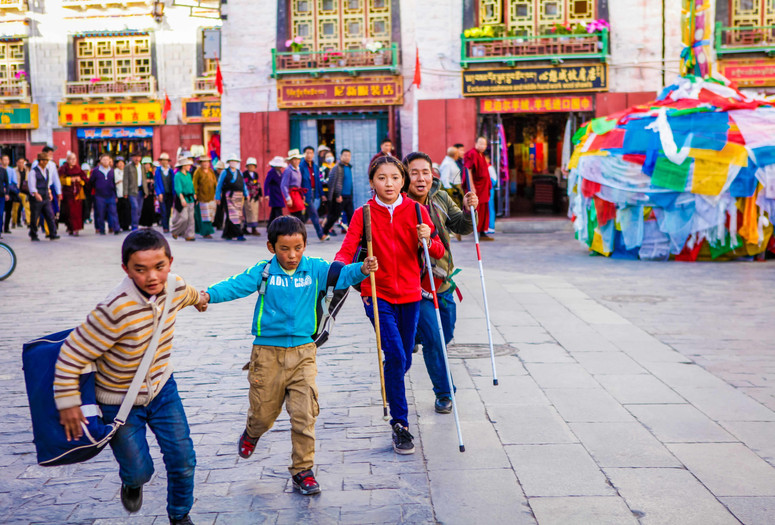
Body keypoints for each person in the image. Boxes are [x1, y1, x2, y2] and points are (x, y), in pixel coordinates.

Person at [198, 216, 377, 495]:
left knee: (304, 414)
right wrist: (208, 295)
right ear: (271, 247)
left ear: (305, 245)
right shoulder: (265, 272)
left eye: (298, 248)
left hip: (304, 353)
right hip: (266, 354)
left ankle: (303, 470)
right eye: (284, 248)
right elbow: (234, 285)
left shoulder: (315, 269)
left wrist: (363, 269)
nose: (292, 255)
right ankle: (252, 432)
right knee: (263, 413)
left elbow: (343, 274)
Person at [55, 229, 205, 525]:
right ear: (126, 269)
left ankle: (179, 515)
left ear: (170, 262)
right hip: (119, 403)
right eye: (141, 269)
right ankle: (132, 482)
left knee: (183, 459)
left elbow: (190, 294)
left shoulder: (174, 287)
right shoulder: (114, 309)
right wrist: (68, 402)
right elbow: (72, 352)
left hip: (163, 391)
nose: (152, 276)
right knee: (139, 469)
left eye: (159, 267)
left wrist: (200, 299)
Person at [334, 156, 445, 454]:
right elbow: (346, 250)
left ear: (403, 180)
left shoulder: (418, 211)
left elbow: (437, 249)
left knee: (402, 358)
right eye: (382, 178)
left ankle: (392, 374)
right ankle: (401, 425)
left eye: (395, 177)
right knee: (396, 354)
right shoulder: (364, 213)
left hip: (410, 295)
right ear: (372, 182)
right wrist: (341, 269)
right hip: (377, 294)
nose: (389, 184)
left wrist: (427, 238)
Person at [403, 151, 479, 413]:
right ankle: (444, 392)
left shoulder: (441, 196)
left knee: (445, 333)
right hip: (417, 285)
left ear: (431, 174)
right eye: (414, 173)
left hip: (444, 281)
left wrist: (469, 211)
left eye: (425, 172)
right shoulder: (400, 203)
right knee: (435, 340)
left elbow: (461, 226)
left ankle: (415, 334)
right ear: (405, 176)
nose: (421, 178)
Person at [464, 137, 494, 241]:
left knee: (484, 209)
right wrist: (471, 186)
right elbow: (468, 169)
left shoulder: (482, 155)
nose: (483, 146)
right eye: (480, 143)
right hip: (477, 187)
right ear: (475, 143)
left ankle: (482, 232)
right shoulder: (472, 154)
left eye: (484, 144)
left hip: (484, 188)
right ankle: (477, 230)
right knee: (478, 209)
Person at [28, 152, 59, 241]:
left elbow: (47, 184)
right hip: (37, 197)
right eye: (45, 161)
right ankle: (33, 234)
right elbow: (31, 185)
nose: (46, 162)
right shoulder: (33, 172)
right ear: (41, 161)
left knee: (50, 215)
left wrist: (49, 192)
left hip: (45, 196)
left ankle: (53, 233)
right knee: (35, 216)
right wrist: (36, 194)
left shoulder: (46, 170)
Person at [215, 154, 247, 241]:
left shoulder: (239, 172)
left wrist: (246, 193)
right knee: (233, 215)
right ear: (229, 162)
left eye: (235, 161)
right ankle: (239, 234)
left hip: (239, 197)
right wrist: (217, 197)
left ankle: (227, 234)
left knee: (237, 215)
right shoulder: (224, 172)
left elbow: (243, 184)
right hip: (228, 196)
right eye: (232, 161)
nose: (233, 163)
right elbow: (219, 185)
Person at [322, 149, 354, 236]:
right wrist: (337, 195)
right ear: (341, 156)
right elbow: (332, 182)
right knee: (334, 216)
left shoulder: (349, 167)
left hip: (348, 196)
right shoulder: (337, 167)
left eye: (349, 155)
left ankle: (354, 235)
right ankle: (324, 230)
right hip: (340, 197)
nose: (347, 157)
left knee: (351, 215)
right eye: (345, 155)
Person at [299, 146, 328, 241]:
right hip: (305, 194)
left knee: (305, 216)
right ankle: (321, 235)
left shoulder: (315, 167)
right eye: (307, 153)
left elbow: (318, 181)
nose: (309, 155)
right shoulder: (301, 166)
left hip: (313, 192)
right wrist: (301, 195)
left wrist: (322, 194)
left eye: (311, 153)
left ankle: (294, 231)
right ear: (304, 154)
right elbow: (299, 181)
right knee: (314, 214)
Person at [89, 153, 121, 236]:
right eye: (104, 160)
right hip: (99, 195)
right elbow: (91, 182)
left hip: (111, 194)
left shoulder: (112, 171)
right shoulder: (96, 170)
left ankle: (116, 228)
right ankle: (102, 229)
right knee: (100, 213)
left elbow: (114, 184)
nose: (106, 161)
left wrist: (116, 195)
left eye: (107, 160)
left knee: (113, 212)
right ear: (101, 160)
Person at [58, 152, 87, 236]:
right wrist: (69, 180)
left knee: (78, 212)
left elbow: (84, 180)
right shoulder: (63, 169)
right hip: (68, 194)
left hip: (78, 194)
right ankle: (70, 227)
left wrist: (79, 180)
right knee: (69, 212)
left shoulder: (78, 169)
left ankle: (76, 228)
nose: (73, 161)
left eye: (74, 159)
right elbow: (60, 180)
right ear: (67, 160)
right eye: (71, 159)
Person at [170, 158, 196, 241]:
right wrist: (182, 199)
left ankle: (189, 235)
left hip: (190, 198)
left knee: (191, 218)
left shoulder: (188, 175)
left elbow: (191, 186)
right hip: (182, 198)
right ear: (183, 166)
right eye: (188, 165)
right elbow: (178, 188)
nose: (189, 166)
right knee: (184, 218)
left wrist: (194, 194)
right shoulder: (178, 175)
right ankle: (175, 231)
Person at [193, 155, 217, 239]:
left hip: (211, 196)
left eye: (207, 162)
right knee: (204, 216)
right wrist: (195, 194)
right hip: (202, 197)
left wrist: (217, 194)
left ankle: (209, 231)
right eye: (204, 162)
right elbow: (195, 184)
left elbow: (215, 183)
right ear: (201, 163)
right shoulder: (198, 172)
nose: (206, 164)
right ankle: (205, 232)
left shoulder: (211, 171)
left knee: (210, 215)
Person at [281, 149, 305, 220]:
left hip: (297, 194)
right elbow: (283, 185)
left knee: (300, 214)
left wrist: (302, 195)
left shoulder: (298, 169)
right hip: (292, 194)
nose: (296, 161)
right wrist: (288, 198)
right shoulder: (288, 170)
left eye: (298, 159)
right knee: (296, 215)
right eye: (294, 159)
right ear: (290, 161)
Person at [155, 152, 175, 233]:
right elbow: (157, 183)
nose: (165, 162)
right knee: (163, 210)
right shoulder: (158, 170)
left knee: (168, 210)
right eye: (163, 160)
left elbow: (173, 182)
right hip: (162, 193)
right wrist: (159, 193)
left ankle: (167, 225)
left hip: (170, 193)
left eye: (166, 160)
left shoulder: (170, 171)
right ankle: (165, 226)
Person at [264, 156, 286, 229]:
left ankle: (269, 226)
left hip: (279, 193)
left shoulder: (279, 172)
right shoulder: (271, 172)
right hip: (274, 194)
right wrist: (266, 194)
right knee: (278, 211)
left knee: (274, 212)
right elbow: (266, 183)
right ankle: (280, 226)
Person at [243, 157, 262, 236]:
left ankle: (254, 229)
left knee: (254, 213)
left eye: (253, 166)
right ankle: (245, 228)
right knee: (248, 212)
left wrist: (260, 195)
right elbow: (243, 185)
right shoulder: (244, 174)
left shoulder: (256, 175)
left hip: (255, 196)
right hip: (247, 196)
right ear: (247, 166)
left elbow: (258, 185)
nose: (251, 167)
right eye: (250, 166)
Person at [125, 151, 144, 231]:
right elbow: (125, 180)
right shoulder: (128, 167)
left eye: (138, 157)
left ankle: (136, 223)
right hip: (132, 190)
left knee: (139, 209)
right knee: (135, 207)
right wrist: (125, 192)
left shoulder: (142, 167)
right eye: (135, 157)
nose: (137, 158)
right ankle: (134, 226)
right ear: (132, 158)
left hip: (141, 190)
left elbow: (144, 179)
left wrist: (146, 190)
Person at [139, 157, 158, 228]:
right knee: (143, 207)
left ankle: (150, 222)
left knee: (150, 207)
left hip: (150, 193)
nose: (147, 166)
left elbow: (153, 181)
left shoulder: (150, 173)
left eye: (148, 164)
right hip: (143, 192)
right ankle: (143, 222)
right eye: (145, 164)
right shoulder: (141, 173)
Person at [115, 157, 131, 232]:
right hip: (119, 193)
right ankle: (120, 225)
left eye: (122, 163)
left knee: (127, 210)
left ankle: (126, 225)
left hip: (127, 193)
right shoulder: (115, 171)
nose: (121, 164)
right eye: (119, 163)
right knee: (120, 211)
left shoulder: (127, 171)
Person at [0, 161, 7, 238]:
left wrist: (7, 193)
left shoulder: (3, 171)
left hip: (1, 195)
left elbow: (7, 183)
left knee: (0, 214)